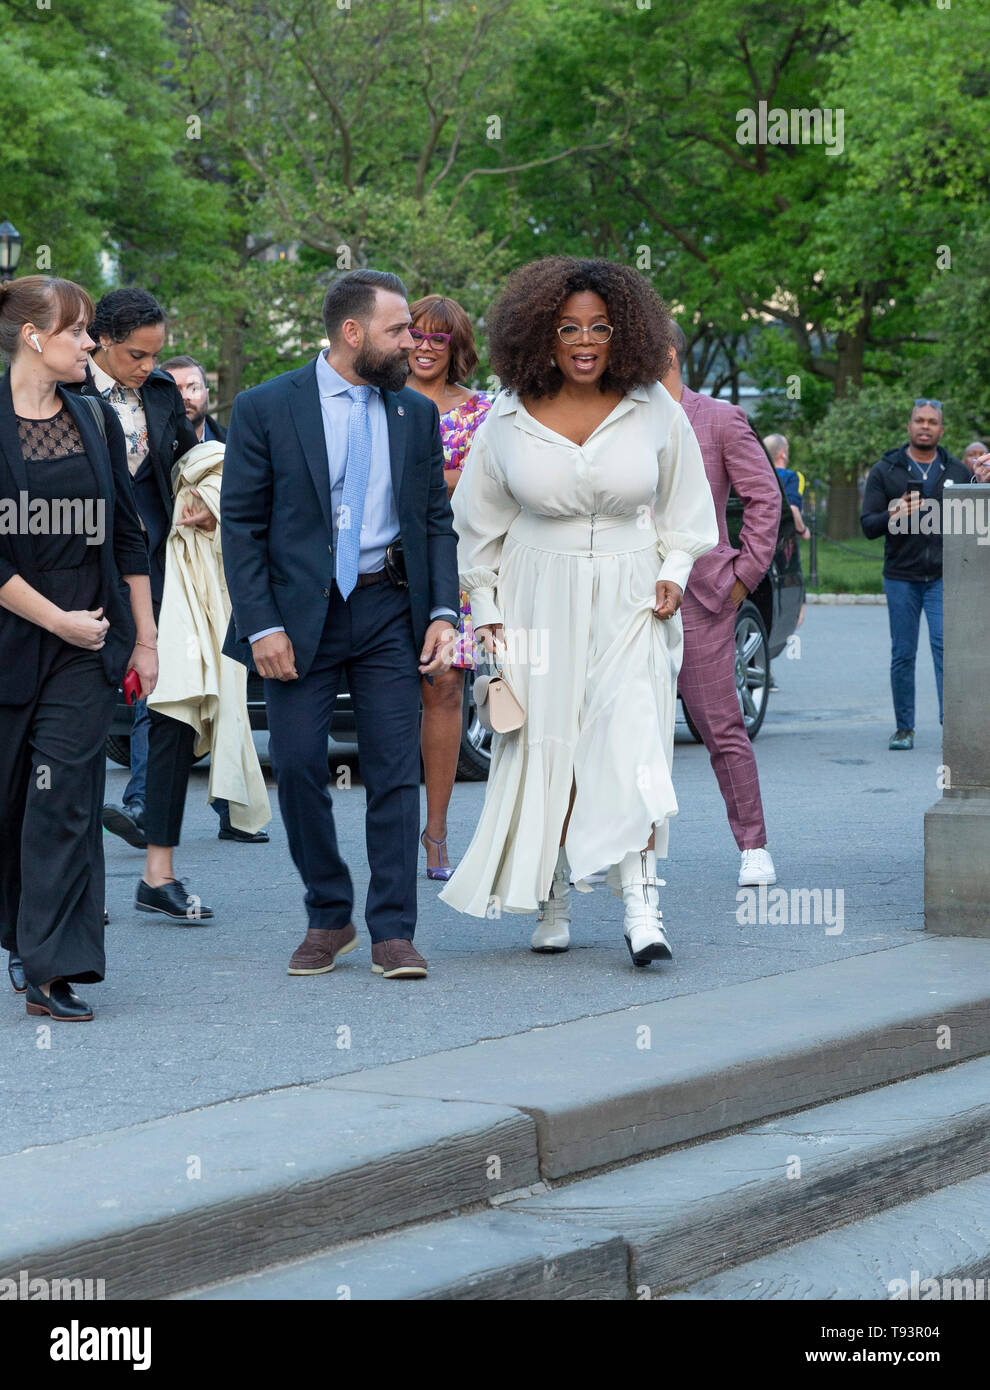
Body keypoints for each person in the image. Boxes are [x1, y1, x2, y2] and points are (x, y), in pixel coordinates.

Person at [439, 257, 718, 966]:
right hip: (536, 593)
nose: (585, 340)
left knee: (635, 746)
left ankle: (642, 907)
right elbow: (477, 526)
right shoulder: (504, 418)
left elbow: (688, 509)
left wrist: (676, 571)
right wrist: (490, 609)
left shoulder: (654, 406)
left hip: (634, 596)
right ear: (542, 335)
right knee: (548, 746)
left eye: (600, 326)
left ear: (624, 333)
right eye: (569, 328)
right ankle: (553, 893)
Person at [221, 269, 459, 981]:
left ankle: (392, 930)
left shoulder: (413, 414)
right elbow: (241, 524)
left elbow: (435, 522)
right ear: (352, 333)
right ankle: (329, 915)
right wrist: (262, 624)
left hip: (388, 607)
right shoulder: (266, 407)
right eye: (396, 330)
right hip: (299, 614)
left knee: (393, 767)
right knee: (295, 764)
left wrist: (443, 611)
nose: (411, 342)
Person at [0, 276, 156, 1020]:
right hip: (13, 633)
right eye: (77, 331)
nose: (89, 343)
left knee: (61, 801)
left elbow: (130, 534)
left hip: (86, 643)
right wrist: (52, 618)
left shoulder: (95, 419)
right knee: (13, 802)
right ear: (35, 337)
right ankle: (23, 934)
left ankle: (49, 969)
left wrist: (144, 639)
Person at [661, 325, 781, 888]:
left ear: (665, 353)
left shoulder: (720, 418)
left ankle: (753, 846)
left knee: (721, 726)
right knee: (625, 730)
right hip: (629, 595)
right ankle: (630, 862)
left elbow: (765, 496)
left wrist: (744, 577)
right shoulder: (615, 419)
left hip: (705, 595)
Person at [162, 354, 267, 843]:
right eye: (176, 386)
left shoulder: (232, 447)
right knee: (169, 693)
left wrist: (216, 507)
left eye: (194, 386)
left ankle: (232, 806)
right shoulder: (158, 448)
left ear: (207, 392)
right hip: (173, 584)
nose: (187, 395)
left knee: (230, 697)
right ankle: (146, 802)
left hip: (229, 586)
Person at [403, 294, 491, 880]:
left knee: (445, 690)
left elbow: (484, 487)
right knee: (387, 699)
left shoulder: (482, 410)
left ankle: (435, 834)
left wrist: (422, 477)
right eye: (418, 334)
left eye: (441, 337)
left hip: (455, 570)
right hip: (383, 568)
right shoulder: (378, 400)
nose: (428, 346)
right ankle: (389, 833)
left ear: (456, 346)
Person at [861, 398, 970, 751]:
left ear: (941, 429)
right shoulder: (886, 470)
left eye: (932, 421)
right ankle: (904, 728)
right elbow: (868, 527)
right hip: (901, 578)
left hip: (942, 577)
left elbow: (975, 524)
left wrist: (982, 483)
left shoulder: (956, 471)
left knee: (945, 650)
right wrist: (895, 512)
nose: (925, 426)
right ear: (909, 426)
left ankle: (950, 725)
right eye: (919, 420)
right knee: (903, 653)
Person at [162, 355, 226, 444]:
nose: (185, 396)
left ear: (207, 394)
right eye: (175, 390)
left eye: (194, 388)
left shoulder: (232, 446)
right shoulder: (146, 448)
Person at [763, 433, 811, 540]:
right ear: (782, 453)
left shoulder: (756, 476)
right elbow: (793, 508)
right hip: (783, 541)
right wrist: (803, 530)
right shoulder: (793, 477)